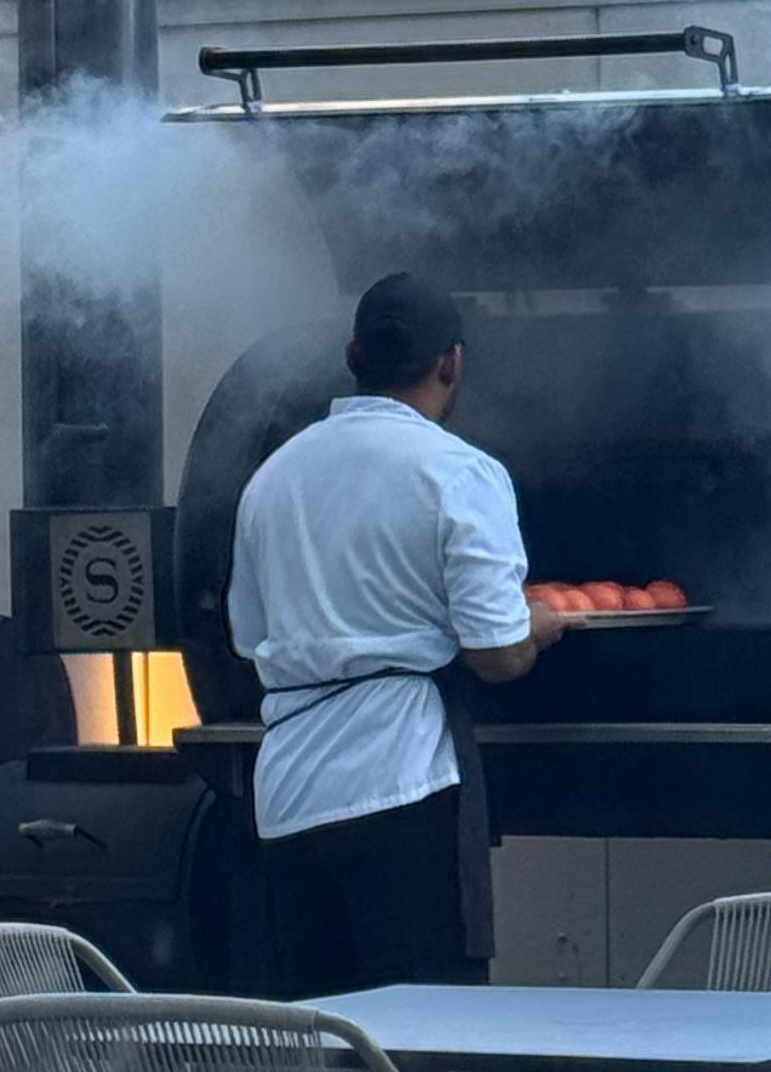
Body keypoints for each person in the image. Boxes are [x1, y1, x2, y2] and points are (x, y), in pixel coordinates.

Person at [226, 268, 564, 995]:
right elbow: (496, 655)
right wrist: (537, 626)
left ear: (353, 356)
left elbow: (249, 638)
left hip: (288, 793)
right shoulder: (458, 473)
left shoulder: (270, 479)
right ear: (451, 363)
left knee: (323, 1030)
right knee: (428, 1032)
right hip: (404, 785)